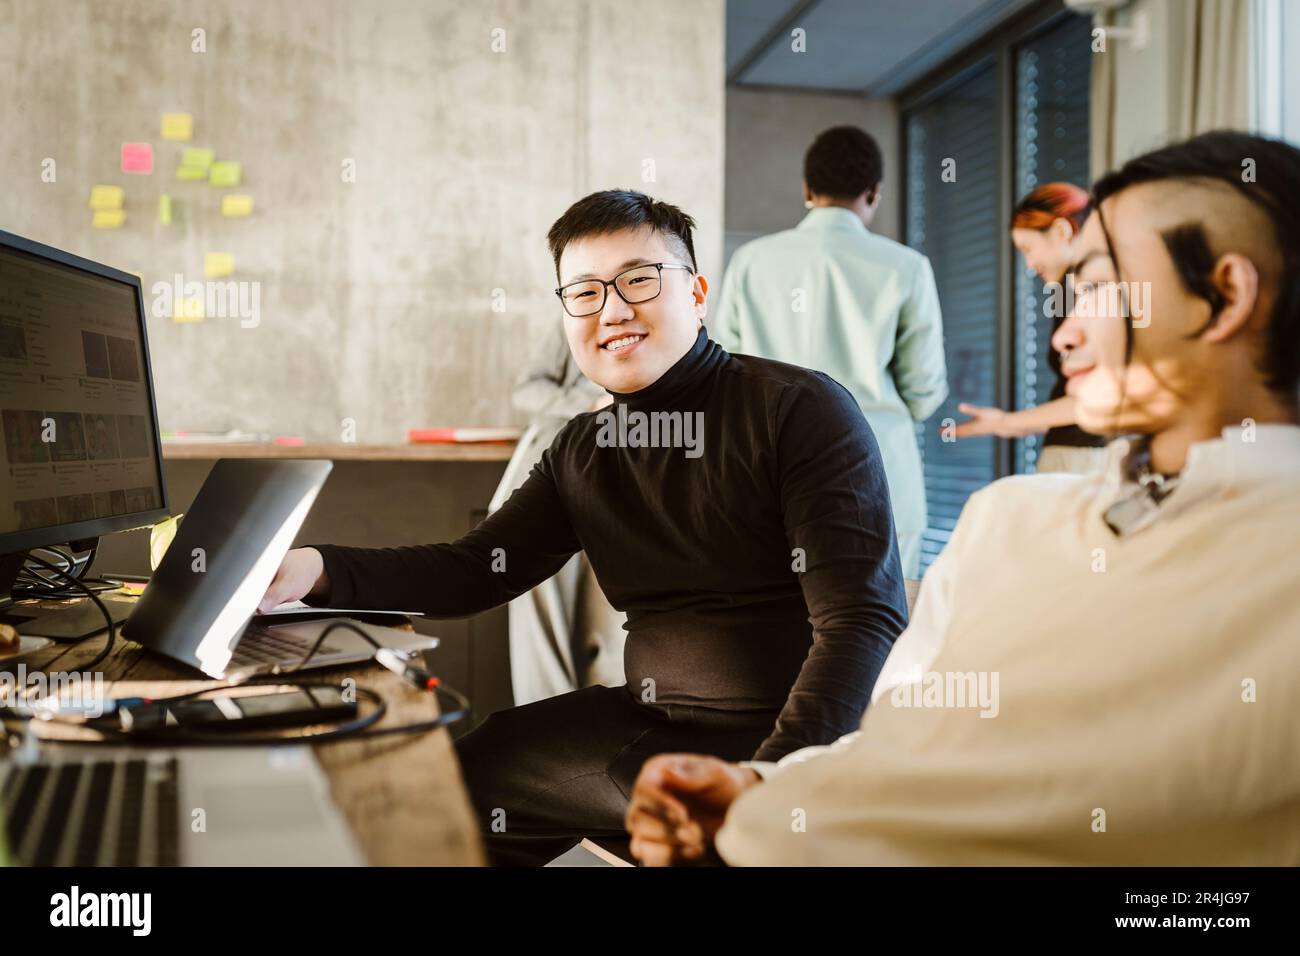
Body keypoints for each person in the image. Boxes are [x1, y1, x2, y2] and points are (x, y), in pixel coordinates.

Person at [625, 131, 1300, 866]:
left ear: (1225, 295)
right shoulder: (1008, 517)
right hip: (880, 461)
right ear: (873, 194)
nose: (1064, 336)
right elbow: (895, 731)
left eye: (1100, 289)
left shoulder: (1276, 568)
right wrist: (759, 786)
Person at [258, 190, 909, 865]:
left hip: (791, 739)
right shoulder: (583, 448)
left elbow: (861, 621)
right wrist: (318, 568)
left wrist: (764, 783)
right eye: (586, 292)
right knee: (449, 788)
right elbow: (478, 568)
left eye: (638, 280)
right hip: (650, 722)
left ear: (698, 293)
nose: (614, 310)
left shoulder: (798, 410)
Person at [714, 125, 948, 578]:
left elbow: (729, 371)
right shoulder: (907, 267)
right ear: (874, 192)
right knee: (884, 622)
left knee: (776, 616)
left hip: (772, 464)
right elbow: (924, 389)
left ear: (807, 189)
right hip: (879, 463)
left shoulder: (751, 261)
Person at [491, 323, 626, 705]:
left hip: (617, 493)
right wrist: (588, 405)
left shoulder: (668, 328)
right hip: (552, 489)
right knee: (542, 616)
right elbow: (528, 389)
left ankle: (599, 728)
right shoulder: (575, 320)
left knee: (611, 626)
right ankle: (545, 717)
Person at [952, 182, 1108, 473]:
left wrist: (1007, 423)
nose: (1029, 264)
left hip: (1080, 459)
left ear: (1062, 231)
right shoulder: (1070, 291)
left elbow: (1090, 396)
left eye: (1028, 248)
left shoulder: (1078, 290)